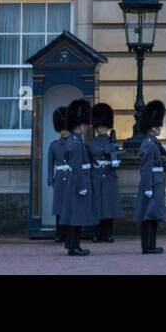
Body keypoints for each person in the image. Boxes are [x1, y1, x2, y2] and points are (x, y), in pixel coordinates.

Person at [58, 98, 98, 256]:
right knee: (76, 218)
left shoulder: (75, 141)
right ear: (81, 125)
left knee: (76, 217)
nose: (87, 127)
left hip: (75, 184)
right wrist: (82, 187)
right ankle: (74, 247)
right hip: (77, 185)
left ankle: (72, 245)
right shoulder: (75, 144)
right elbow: (76, 169)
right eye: (85, 125)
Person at [133, 100, 166, 255]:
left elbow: (156, 165)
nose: (160, 127)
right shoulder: (149, 145)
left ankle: (150, 245)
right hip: (152, 184)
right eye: (157, 125)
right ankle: (148, 246)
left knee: (153, 216)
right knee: (149, 217)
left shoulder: (153, 143)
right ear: (152, 127)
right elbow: (146, 168)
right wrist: (148, 188)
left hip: (156, 182)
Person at [87, 103, 122, 243]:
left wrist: (116, 161)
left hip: (108, 175)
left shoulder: (112, 142)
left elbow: (117, 156)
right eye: (100, 126)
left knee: (109, 206)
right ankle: (97, 233)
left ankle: (108, 233)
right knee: (97, 206)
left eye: (104, 126)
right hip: (96, 175)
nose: (102, 128)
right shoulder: (91, 143)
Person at [47, 105, 70, 246]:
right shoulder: (54, 145)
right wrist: (50, 179)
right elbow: (50, 164)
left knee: (69, 207)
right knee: (59, 209)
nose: (63, 131)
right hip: (60, 178)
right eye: (61, 129)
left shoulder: (75, 143)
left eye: (65, 128)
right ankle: (59, 233)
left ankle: (69, 233)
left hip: (72, 178)